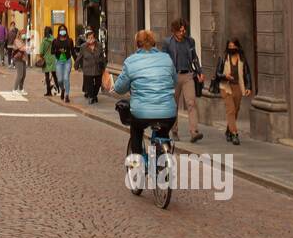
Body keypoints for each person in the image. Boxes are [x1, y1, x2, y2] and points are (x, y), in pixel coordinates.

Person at [110, 29, 178, 162]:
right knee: (163, 131)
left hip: (142, 112)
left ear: (137, 44)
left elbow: (120, 87)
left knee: (136, 129)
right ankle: (164, 157)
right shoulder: (166, 58)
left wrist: (117, 87)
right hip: (168, 112)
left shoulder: (131, 61)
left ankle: (137, 161)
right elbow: (174, 81)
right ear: (154, 43)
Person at [162, 18, 205, 143]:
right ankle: (174, 131)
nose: (183, 32)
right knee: (173, 105)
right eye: (180, 31)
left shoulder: (190, 41)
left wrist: (199, 72)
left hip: (187, 76)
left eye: (184, 30)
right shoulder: (167, 43)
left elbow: (194, 58)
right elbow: (164, 60)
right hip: (174, 76)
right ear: (174, 30)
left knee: (191, 103)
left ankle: (194, 132)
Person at [211, 38, 252, 145]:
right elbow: (218, 74)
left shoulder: (242, 58)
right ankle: (234, 134)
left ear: (238, 47)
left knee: (236, 109)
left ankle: (228, 131)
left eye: (234, 46)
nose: (232, 48)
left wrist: (248, 87)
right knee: (231, 110)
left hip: (238, 86)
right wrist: (225, 76)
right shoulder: (224, 57)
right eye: (230, 46)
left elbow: (247, 73)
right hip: (226, 87)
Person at [78, 29, 107, 104]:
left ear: (95, 38)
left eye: (92, 37)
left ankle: (94, 95)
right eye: (89, 38)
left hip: (97, 68)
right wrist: (77, 65)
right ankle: (91, 97)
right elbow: (80, 57)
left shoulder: (99, 45)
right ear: (86, 39)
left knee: (98, 83)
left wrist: (104, 67)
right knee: (89, 84)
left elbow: (102, 56)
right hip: (87, 68)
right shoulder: (83, 47)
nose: (91, 39)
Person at [52, 26, 76, 103]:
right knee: (59, 80)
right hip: (58, 61)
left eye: (64, 30)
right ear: (59, 31)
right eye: (61, 30)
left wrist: (77, 62)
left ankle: (67, 95)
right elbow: (52, 51)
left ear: (66, 31)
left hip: (67, 61)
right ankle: (62, 89)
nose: (62, 31)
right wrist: (58, 51)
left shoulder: (70, 41)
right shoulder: (55, 41)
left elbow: (73, 52)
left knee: (66, 78)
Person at [39, 26, 57, 97]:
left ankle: (48, 91)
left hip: (46, 59)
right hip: (53, 59)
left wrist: (42, 56)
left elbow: (41, 52)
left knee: (47, 76)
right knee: (54, 75)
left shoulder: (44, 41)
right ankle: (58, 89)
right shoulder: (54, 40)